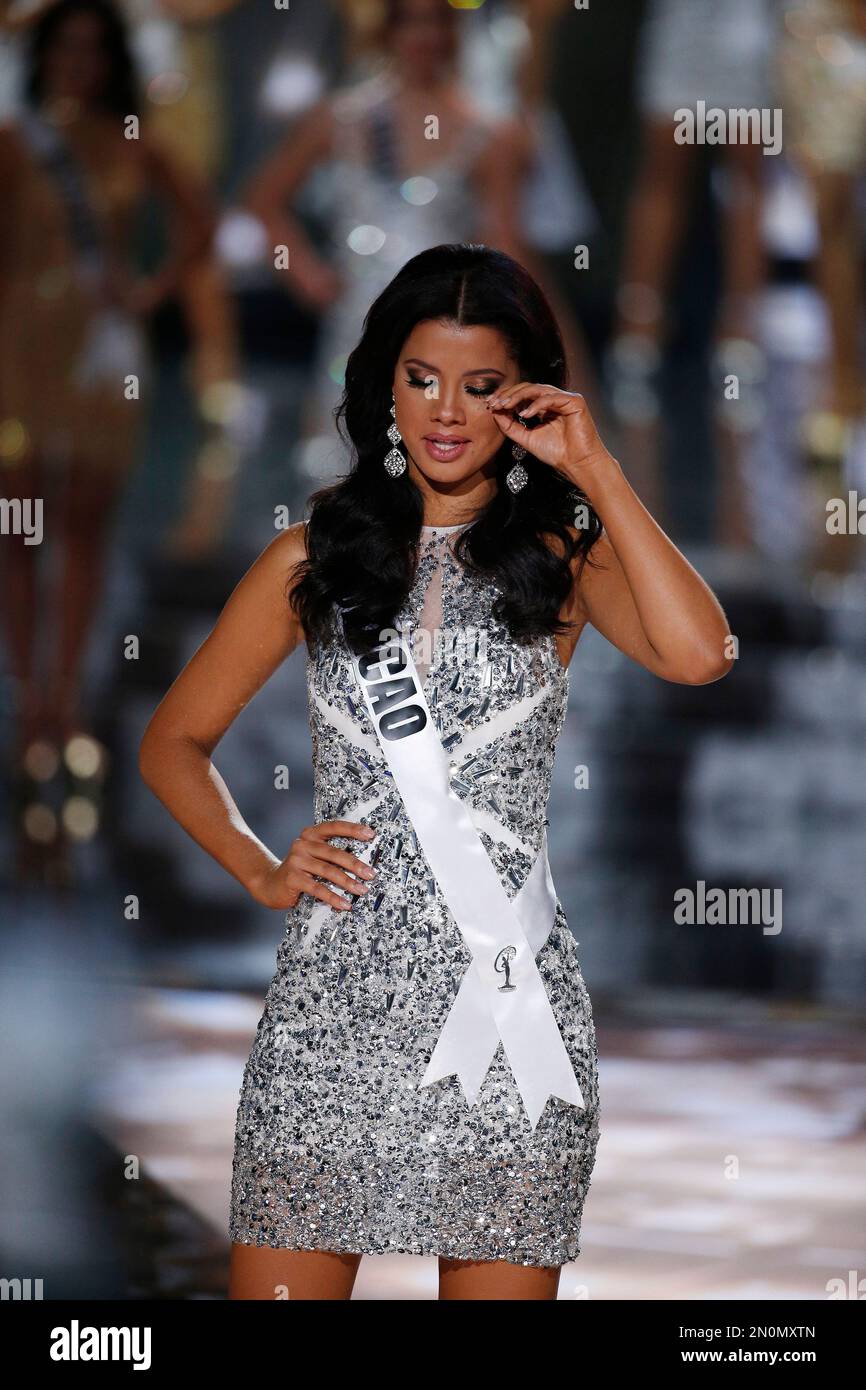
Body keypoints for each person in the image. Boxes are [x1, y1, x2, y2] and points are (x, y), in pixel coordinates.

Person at [139, 242, 734, 1300]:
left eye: (480, 385)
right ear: (384, 388)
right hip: (331, 1021)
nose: (445, 411)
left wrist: (593, 467)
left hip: (508, 1020)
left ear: (524, 401)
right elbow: (171, 741)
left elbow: (698, 654)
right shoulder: (312, 554)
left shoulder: (561, 548)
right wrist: (261, 866)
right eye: (421, 379)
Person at [0, 0, 213, 874]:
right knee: (17, 535)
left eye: (94, 50)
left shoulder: (134, 142)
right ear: (44, 56)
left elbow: (201, 224)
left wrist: (151, 293)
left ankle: (67, 704)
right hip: (18, 349)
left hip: (101, 357)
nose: (79, 64)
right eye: (67, 49)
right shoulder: (14, 143)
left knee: (83, 529)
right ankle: (29, 712)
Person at [244, 0, 591, 481]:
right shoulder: (343, 119)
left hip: (448, 342)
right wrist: (306, 275)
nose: (425, 35)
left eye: (438, 21)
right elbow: (263, 201)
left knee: (438, 481)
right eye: (411, 21)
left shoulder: (490, 133)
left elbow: (505, 251)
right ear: (387, 30)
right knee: (346, 478)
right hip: (355, 335)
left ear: (456, 31)